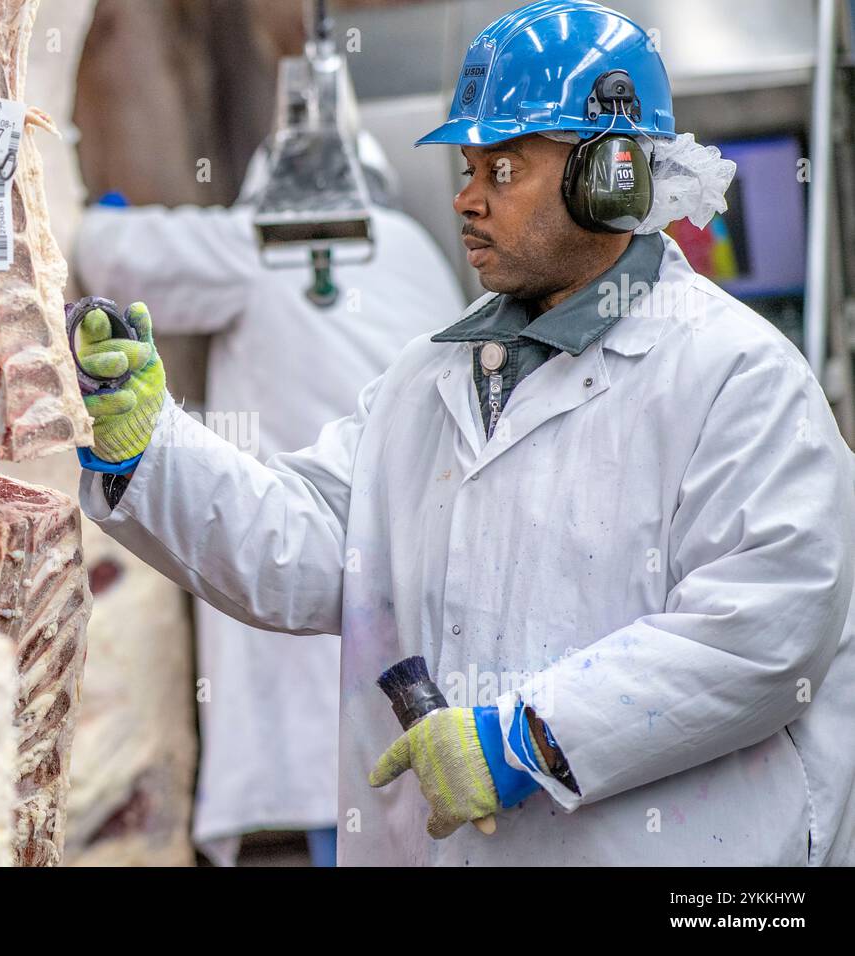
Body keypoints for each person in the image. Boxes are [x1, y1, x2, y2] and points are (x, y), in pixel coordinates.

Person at [69, 0, 855, 866]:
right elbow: (306, 543)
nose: (466, 196)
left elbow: (767, 630)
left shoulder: (735, 377)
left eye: (502, 168)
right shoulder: (430, 380)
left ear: (612, 175)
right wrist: (148, 449)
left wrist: (530, 740)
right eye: (468, 164)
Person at [74, 133, 464, 866]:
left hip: (310, 583)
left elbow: (106, 252)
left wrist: (100, 209)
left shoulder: (276, 244)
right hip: (407, 617)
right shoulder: (418, 250)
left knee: (341, 793)